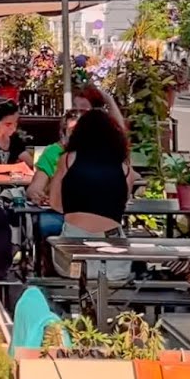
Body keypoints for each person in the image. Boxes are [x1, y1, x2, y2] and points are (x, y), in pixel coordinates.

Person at [47, 109, 140, 282]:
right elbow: (121, 205)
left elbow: (55, 203)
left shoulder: (68, 159)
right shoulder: (125, 170)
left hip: (73, 250)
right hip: (113, 256)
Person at [27, 109, 82, 241]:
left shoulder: (99, 154)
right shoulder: (53, 152)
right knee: (49, 225)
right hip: (57, 213)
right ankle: (49, 261)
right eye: (72, 130)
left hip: (90, 214)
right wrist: (35, 194)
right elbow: (35, 187)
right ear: (64, 133)